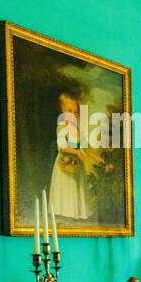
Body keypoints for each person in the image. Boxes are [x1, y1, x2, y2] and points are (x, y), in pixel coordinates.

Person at [48, 91, 98, 221]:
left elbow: (87, 148)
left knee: (76, 187)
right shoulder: (61, 127)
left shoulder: (78, 131)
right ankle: (63, 215)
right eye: (70, 111)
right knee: (66, 186)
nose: (74, 115)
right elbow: (62, 146)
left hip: (77, 165)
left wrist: (99, 160)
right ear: (62, 112)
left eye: (76, 112)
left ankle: (76, 214)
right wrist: (76, 152)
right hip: (64, 163)